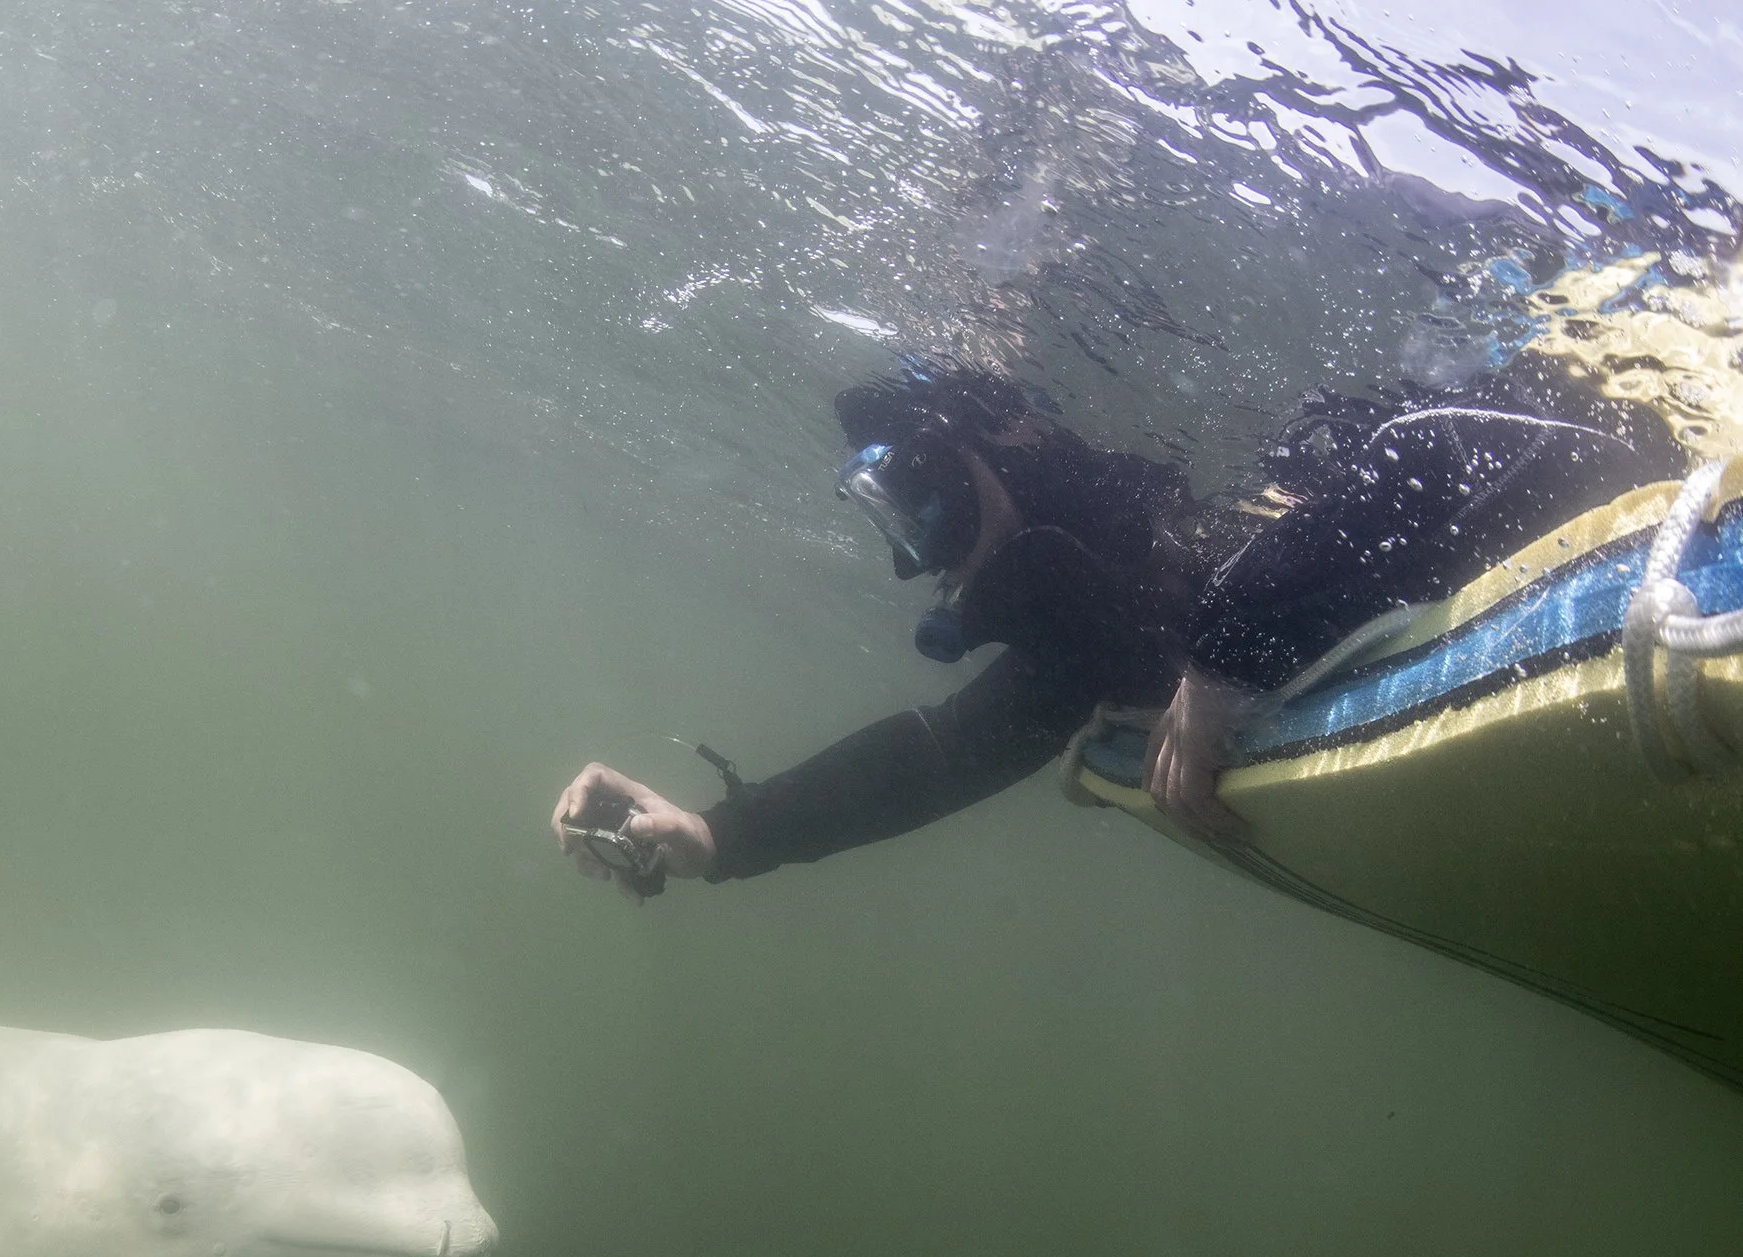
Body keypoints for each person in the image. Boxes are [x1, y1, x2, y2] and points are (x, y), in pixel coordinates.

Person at [552, 354, 1686, 893]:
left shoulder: (1245, 469)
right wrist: (716, 833)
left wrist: (1223, 651)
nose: (926, 553)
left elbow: (1452, 441)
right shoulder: (1078, 637)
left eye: (927, 497)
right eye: (898, 523)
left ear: (1013, 435)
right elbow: (940, 756)